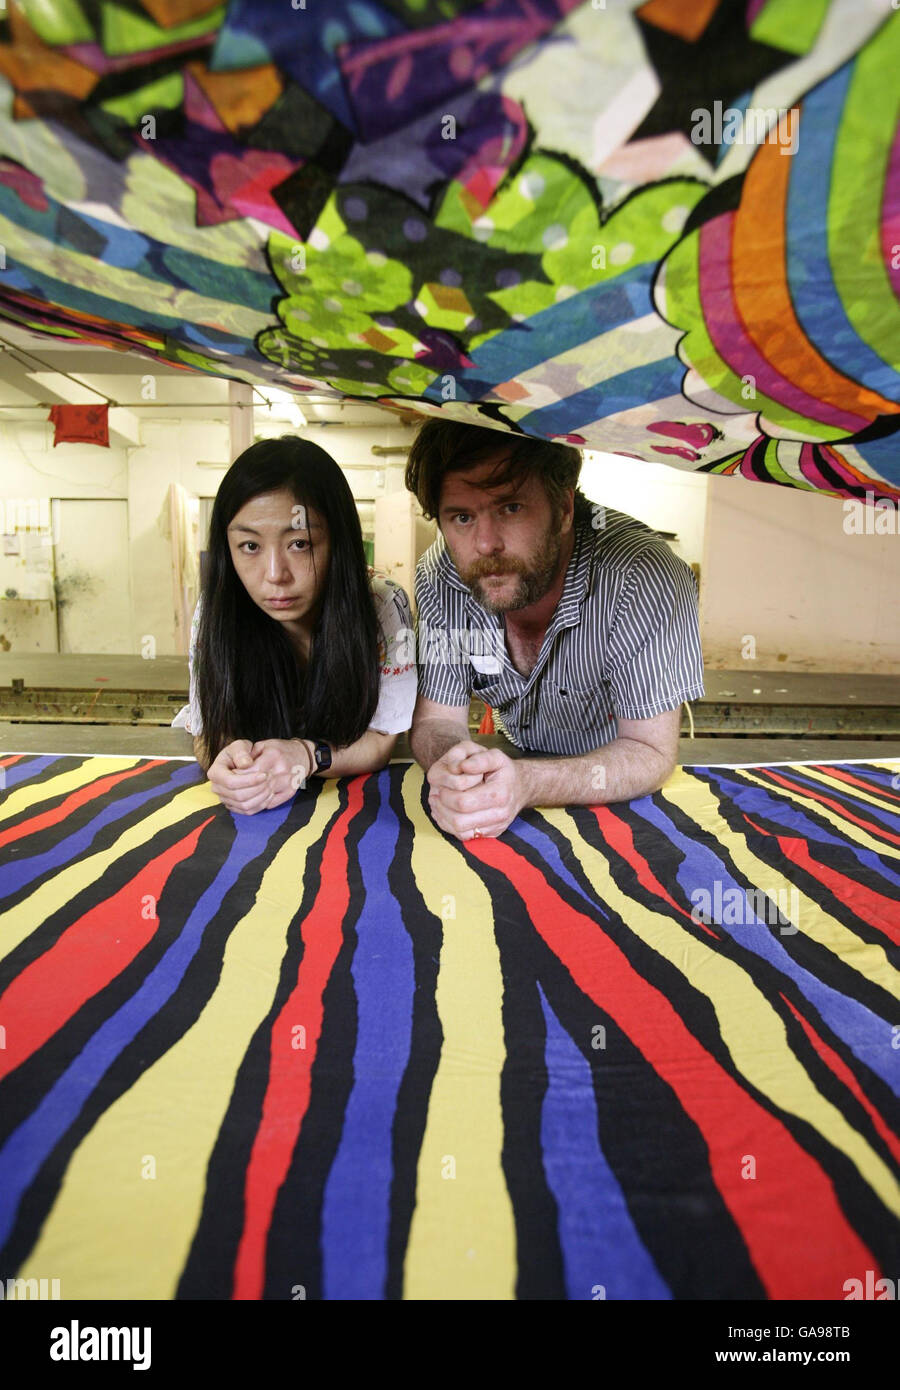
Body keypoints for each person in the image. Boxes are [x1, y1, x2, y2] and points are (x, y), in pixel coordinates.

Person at [406, 420, 704, 842]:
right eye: (462, 517)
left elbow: (650, 752)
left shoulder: (641, 575)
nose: (486, 544)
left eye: (510, 508)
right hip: (510, 764)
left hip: (619, 793)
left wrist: (528, 783)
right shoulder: (441, 576)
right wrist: (458, 768)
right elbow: (437, 719)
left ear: (564, 508)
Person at [171, 436, 416, 814]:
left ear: (339, 541)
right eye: (250, 547)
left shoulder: (383, 605)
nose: (274, 576)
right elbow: (208, 731)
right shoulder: (217, 609)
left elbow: (382, 740)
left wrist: (306, 754)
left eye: (299, 543)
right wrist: (225, 760)